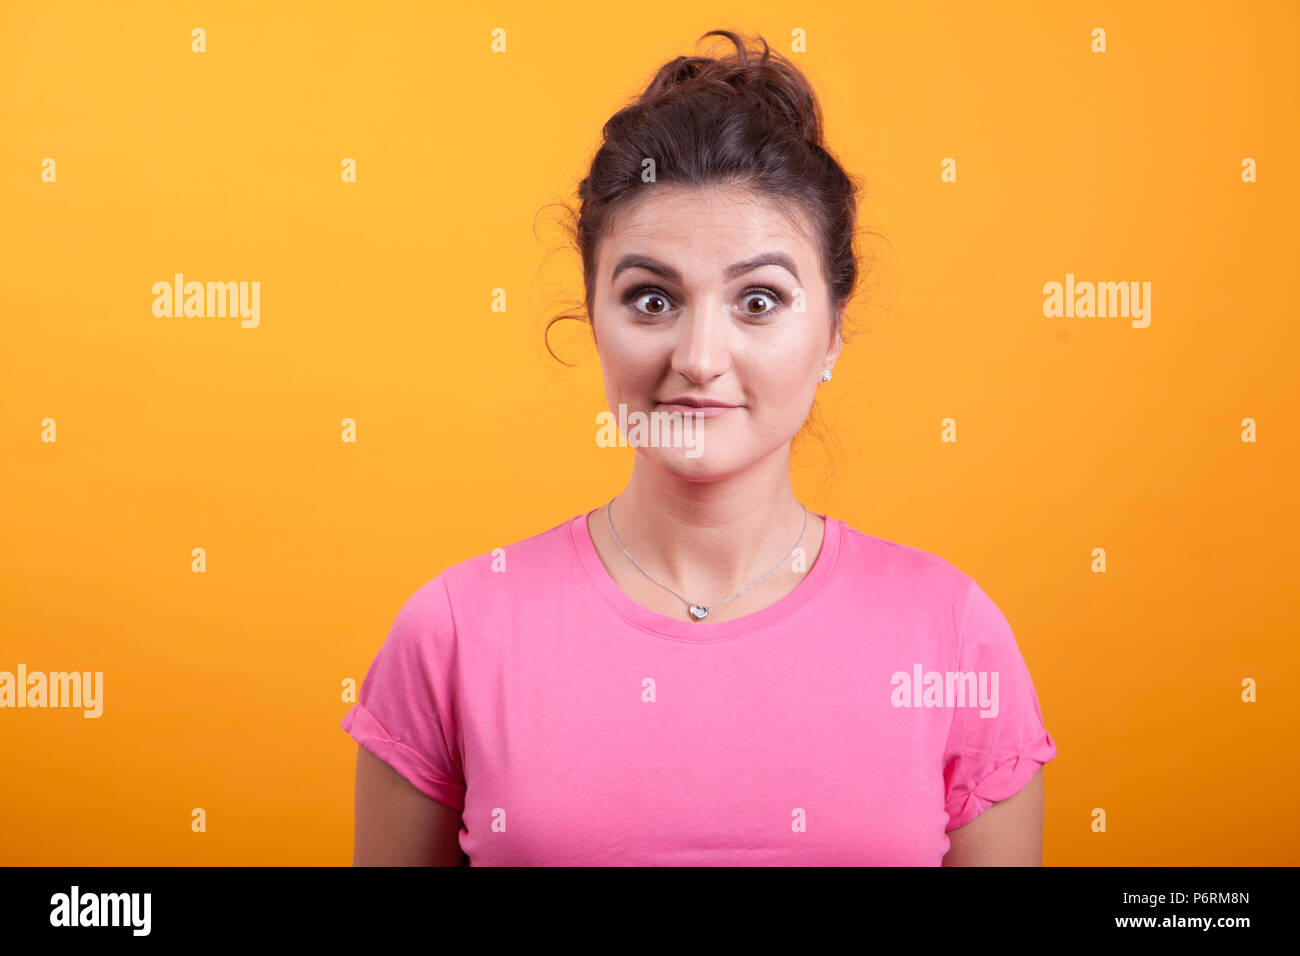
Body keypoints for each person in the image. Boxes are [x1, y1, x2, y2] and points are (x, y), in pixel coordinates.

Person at [343, 28, 1056, 866]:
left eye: (759, 300)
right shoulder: (454, 633)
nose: (699, 358)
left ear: (832, 332)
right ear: (590, 315)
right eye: (651, 300)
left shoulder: (952, 634)